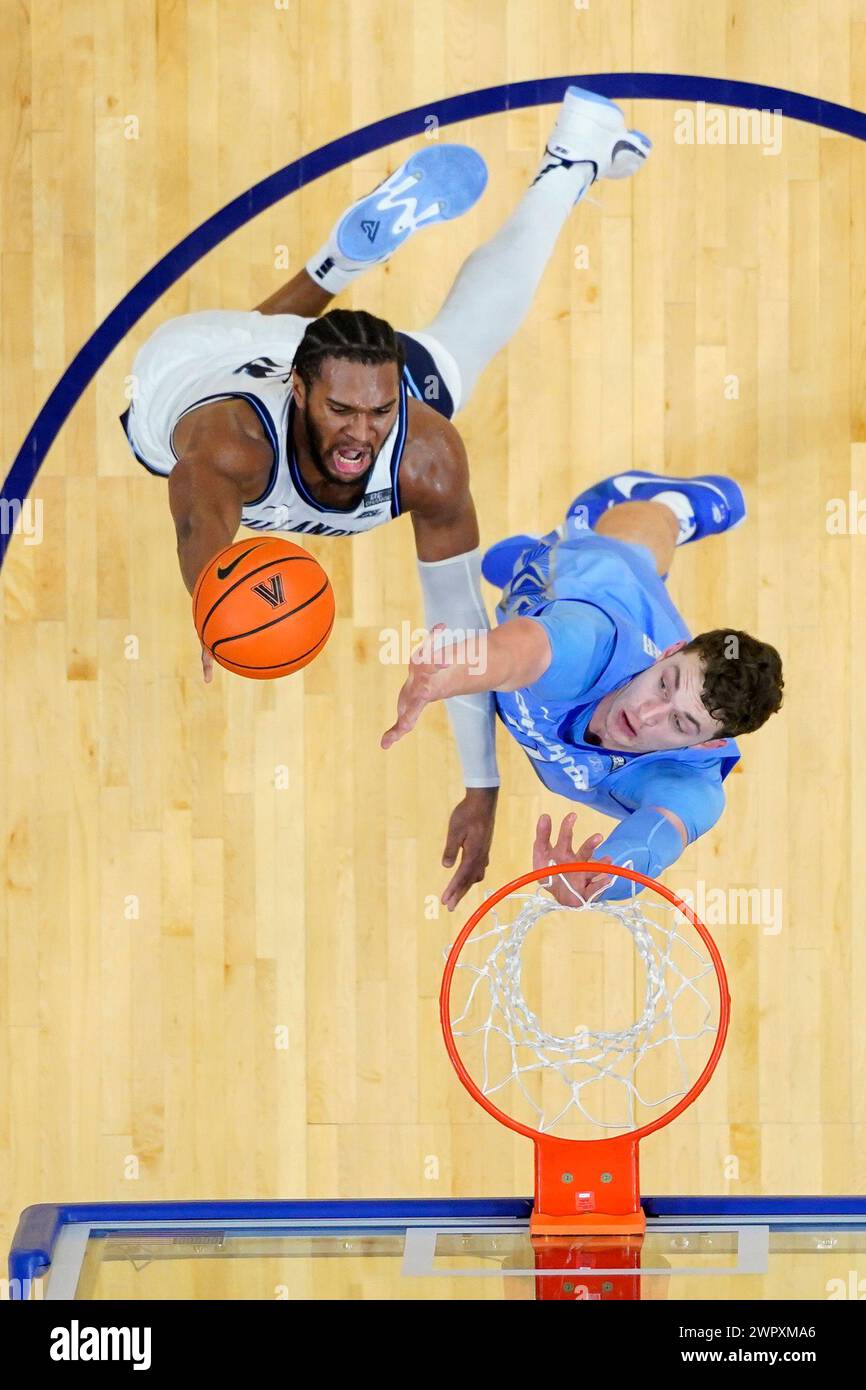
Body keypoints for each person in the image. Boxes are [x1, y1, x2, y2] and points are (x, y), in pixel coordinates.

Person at [120, 86, 651, 908]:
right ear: (302, 396)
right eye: (341, 411)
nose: (362, 437)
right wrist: (211, 599)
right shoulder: (220, 448)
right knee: (231, 361)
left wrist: (484, 784)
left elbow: (458, 621)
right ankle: (340, 259)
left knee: (467, 340)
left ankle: (573, 157)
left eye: (379, 412)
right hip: (190, 368)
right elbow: (200, 524)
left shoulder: (422, 451)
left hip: (307, 368)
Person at [382, 470, 784, 901]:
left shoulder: (688, 784)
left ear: (705, 745)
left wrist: (596, 881)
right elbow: (517, 653)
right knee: (632, 551)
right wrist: (449, 672)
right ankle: (676, 507)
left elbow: (651, 844)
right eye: (665, 685)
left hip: (597, 611)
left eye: (682, 724)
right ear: (670, 652)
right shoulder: (589, 645)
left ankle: (528, 562)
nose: (646, 714)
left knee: (507, 563)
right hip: (594, 576)